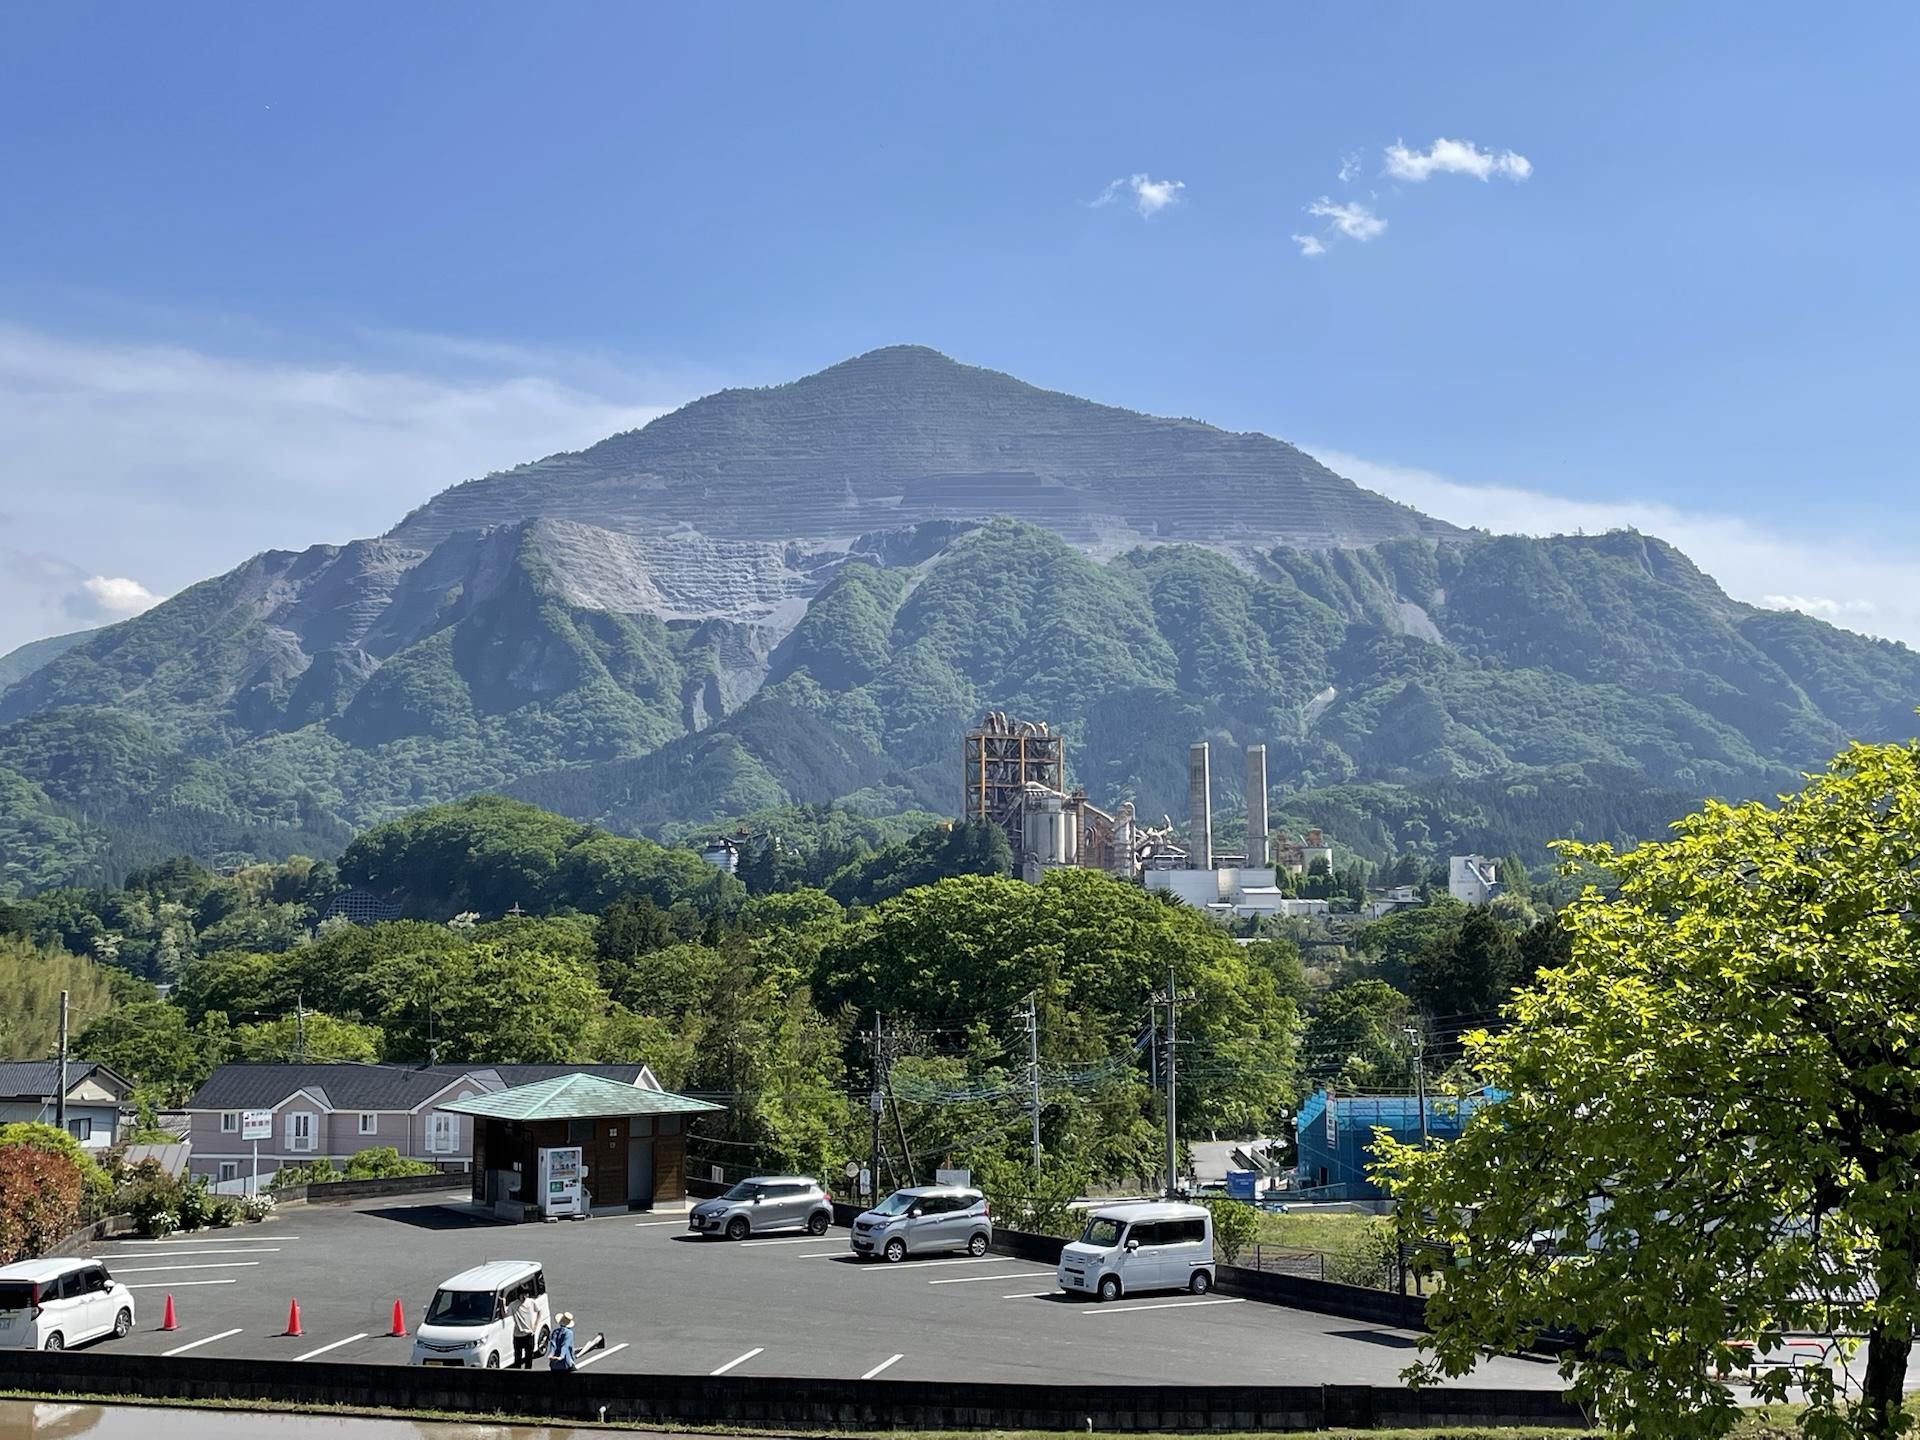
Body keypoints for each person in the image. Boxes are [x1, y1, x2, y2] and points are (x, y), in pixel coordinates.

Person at [510, 1288, 540, 1369]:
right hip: (518, 1335)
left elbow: (539, 1311)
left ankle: (528, 1374)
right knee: (518, 1358)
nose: (524, 1297)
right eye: (522, 1294)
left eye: (526, 1294)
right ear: (518, 1295)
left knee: (529, 1357)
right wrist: (503, 1302)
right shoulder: (513, 1305)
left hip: (529, 1334)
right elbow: (506, 1314)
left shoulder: (532, 1302)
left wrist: (535, 1325)